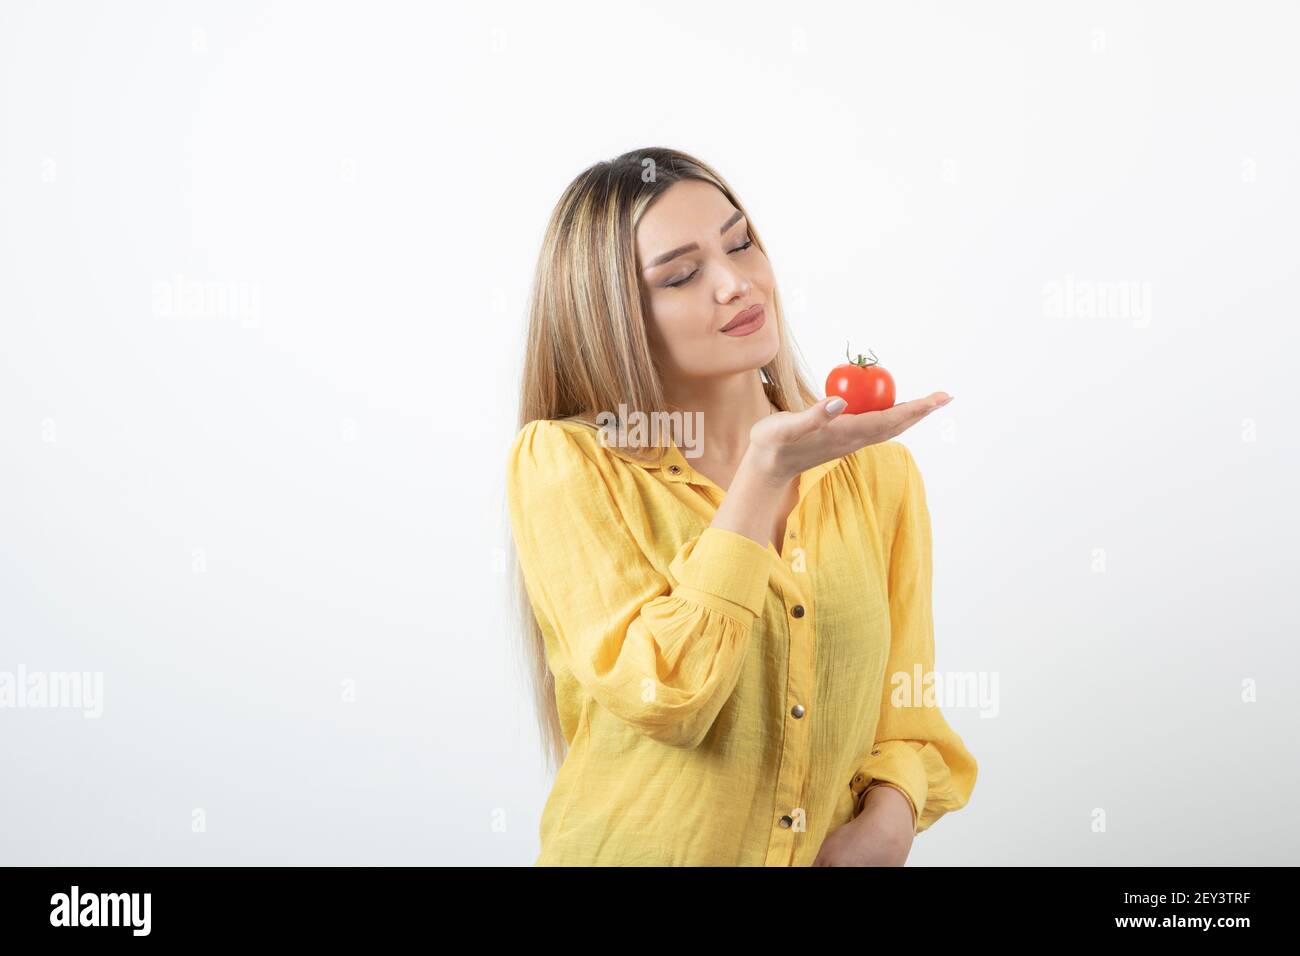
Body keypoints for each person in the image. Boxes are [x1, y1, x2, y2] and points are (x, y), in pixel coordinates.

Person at [504, 147, 977, 866]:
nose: (735, 282)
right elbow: (669, 695)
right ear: (614, 317)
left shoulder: (878, 475)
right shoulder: (566, 465)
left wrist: (891, 819)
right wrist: (762, 476)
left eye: (741, 241)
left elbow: (906, 721)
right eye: (683, 274)